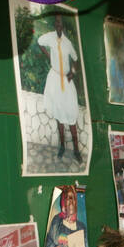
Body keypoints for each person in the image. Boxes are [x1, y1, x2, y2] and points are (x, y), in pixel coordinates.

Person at [37, 13, 81, 161]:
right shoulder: (49, 37)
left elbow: (75, 59)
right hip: (54, 79)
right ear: (54, 24)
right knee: (59, 114)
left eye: (60, 23)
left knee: (71, 111)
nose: (58, 25)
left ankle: (76, 150)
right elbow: (39, 42)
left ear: (63, 26)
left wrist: (72, 74)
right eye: (56, 22)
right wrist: (50, 57)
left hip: (66, 81)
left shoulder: (68, 43)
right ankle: (62, 147)